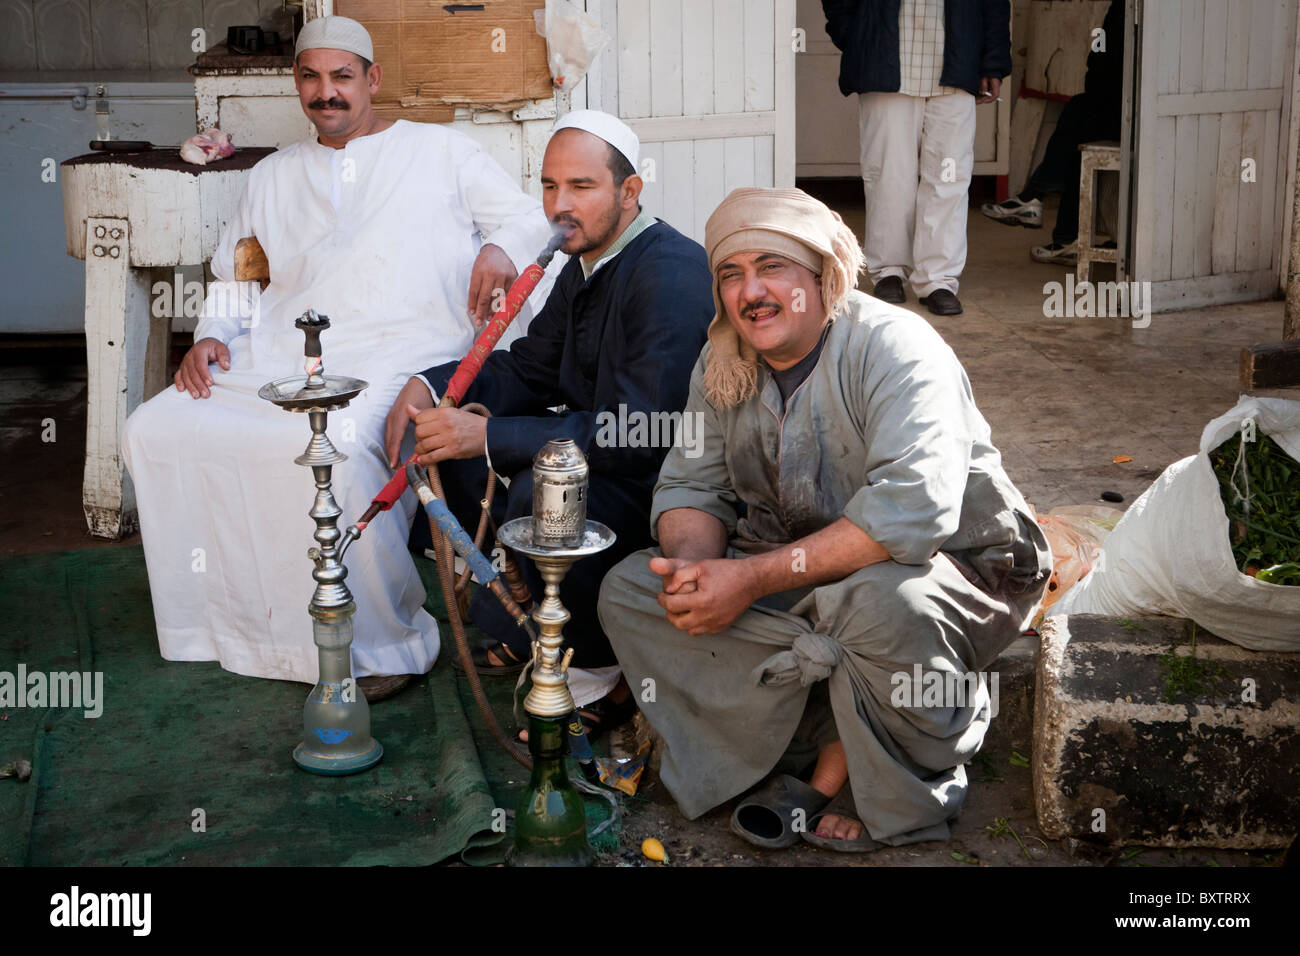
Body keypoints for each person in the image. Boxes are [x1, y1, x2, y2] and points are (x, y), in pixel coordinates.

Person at [597, 187, 1052, 850]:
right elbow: (692, 487)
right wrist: (696, 573)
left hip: (947, 572)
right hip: (799, 576)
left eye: (772, 267)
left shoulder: (896, 346)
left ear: (823, 277)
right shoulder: (723, 361)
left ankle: (874, 765)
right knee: (633, 591)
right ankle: (828, 728)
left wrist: (747, 582)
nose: (751, 292)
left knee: (876, 600)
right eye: (731, 274)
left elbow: (912, 514)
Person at [121, 16, 552, 700]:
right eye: (311, 78)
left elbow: (531, 218)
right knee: (157, 427)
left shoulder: (441, 152)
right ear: (297, 83)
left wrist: (499, 249)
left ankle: (377, 645)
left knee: (343, 448)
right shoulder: (270, 175)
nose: (327, 93)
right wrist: (211, 336)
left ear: (372, 79)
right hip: (282, 354)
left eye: (342, 77)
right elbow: (235, 279)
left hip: (405, 353)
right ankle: (221, 627)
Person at [387, 110, 714, 733]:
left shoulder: (667, 274)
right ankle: (531, 625)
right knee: (450, 441)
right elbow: (531, 368)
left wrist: (490, 437)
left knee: (544, 490)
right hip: (606, 453)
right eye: (549, 186)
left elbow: (638, 433)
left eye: (581, 187)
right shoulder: (585, 260)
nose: (559, 205)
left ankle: (602, 674)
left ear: (629, 191)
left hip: (665, 482)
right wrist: (432, 386)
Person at [822, 0, 1011, 315]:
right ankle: (889, 272)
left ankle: (938, 280)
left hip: (957, 66)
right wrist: (859, 38)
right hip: (884, 66)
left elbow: (993, 5)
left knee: (948, 179)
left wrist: (992, 63)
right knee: (887, 176)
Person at [980, 0, 1123, 265]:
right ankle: (1056, 225)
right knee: (1077, 130)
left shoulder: (1137, 8)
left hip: (1147, 112)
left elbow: (1103, 64)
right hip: (1125, 105)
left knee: (1079, 114)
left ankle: (1036, 197)